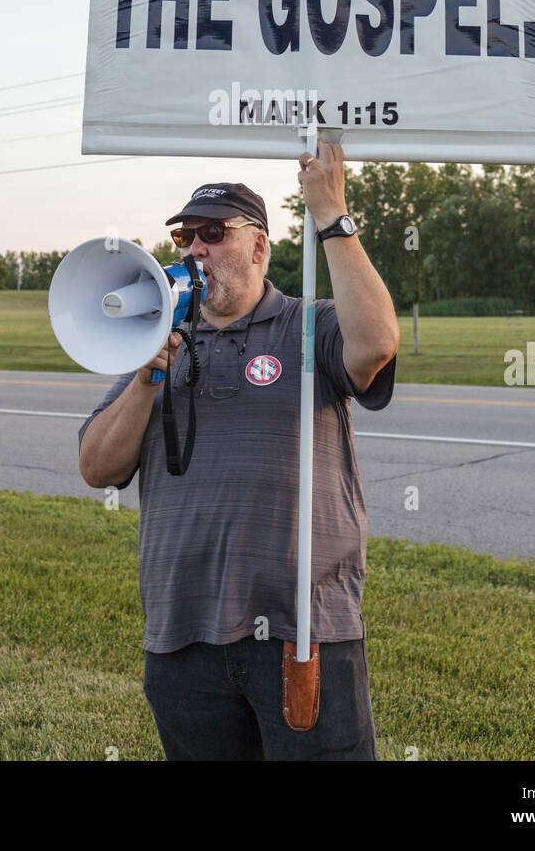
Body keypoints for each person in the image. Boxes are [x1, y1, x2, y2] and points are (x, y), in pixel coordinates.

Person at [78, 141, 400, 761]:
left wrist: (331, 213)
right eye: (184, 237)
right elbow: (97, 466)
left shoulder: (310, 324)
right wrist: (148, 376)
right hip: (183, 635)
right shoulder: (157, 343)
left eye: (213, 233)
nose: (194, 249)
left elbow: (376, 345)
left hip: (302, 632)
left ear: (258, 246)